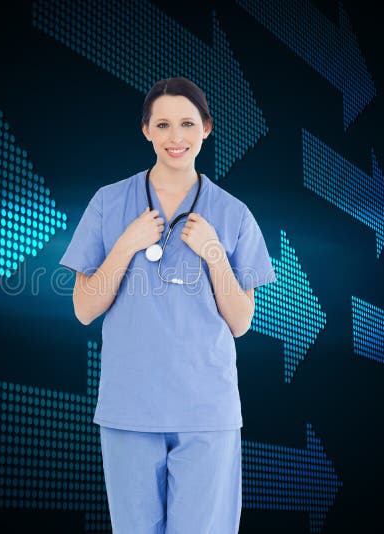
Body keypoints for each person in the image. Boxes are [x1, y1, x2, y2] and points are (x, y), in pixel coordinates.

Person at [59, 77, 276, 533]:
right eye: (163, 125)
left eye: (186, 123)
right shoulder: (109, 203)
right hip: (129, 409)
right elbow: (83, 308)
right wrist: (126, 244)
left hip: (206, 410)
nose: (175, 137)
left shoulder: (233, 213)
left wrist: (214, 252)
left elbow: (240, 322)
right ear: (146, 132)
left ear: (207, 129)